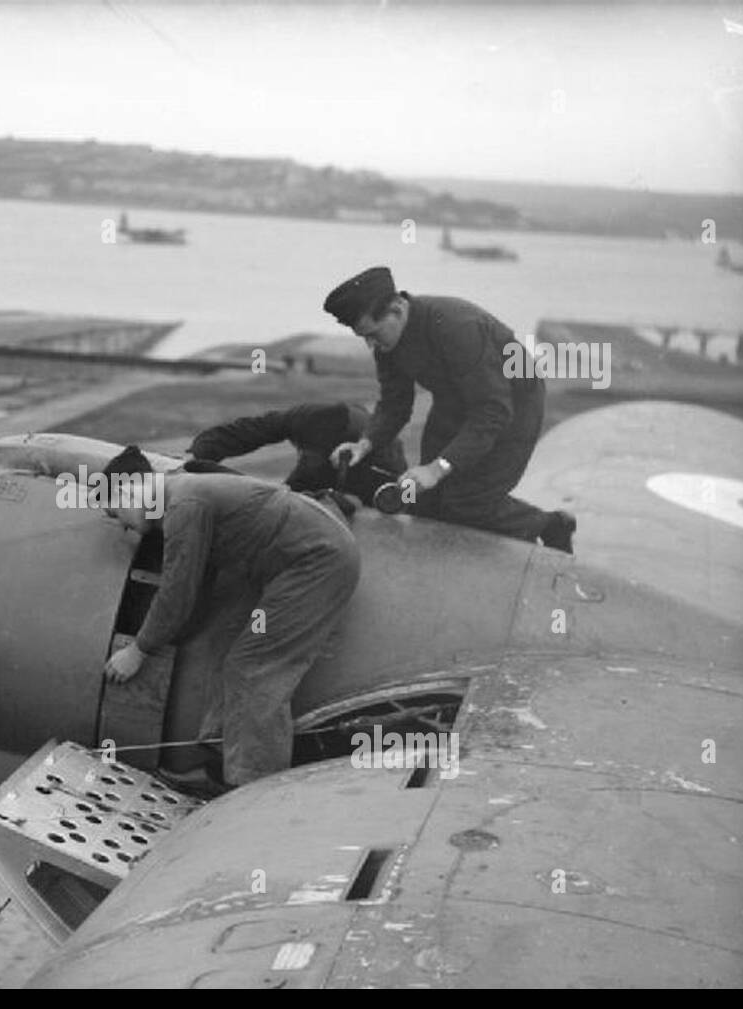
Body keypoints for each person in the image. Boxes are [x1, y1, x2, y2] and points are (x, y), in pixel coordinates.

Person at [100, 445, 360, 794]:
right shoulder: (184, 491)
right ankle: (222, 762)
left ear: (126, 490)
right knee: (230, 646)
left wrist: (140, 650)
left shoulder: (183, 505)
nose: (125, 527)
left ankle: (254, 789)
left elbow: (178, 591)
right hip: (289, 568)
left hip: (314, 566)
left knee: (254, 666)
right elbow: (194, 587)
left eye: (116, 513)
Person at [324, 266, 576, 552]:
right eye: (364, 337)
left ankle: (550, 525)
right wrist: (364, 444)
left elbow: (492, 411)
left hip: (513, 405)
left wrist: (437, 467)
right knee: (429, 499)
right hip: (455, 403)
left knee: (467, 502)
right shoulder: (387, 344)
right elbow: (395, 404)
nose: (371, 344)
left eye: (373, 333)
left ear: (396, 309)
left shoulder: (457, 326)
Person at [186, 402, 407, 503]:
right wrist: (198, 452)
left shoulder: (386, 452)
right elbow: (247, 431)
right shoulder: (302, 419)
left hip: (373, 477)